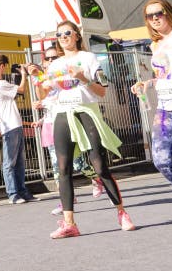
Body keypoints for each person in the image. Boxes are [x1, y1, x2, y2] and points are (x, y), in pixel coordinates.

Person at [45, 20, 135, 239]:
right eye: (59, 34)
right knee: (63, 170)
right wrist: (44, 87)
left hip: (86, 112)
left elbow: (102, 91)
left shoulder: (88, 58)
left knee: (99, 164)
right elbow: (48, 94)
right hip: (62, 115)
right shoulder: (54, 65)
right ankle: (69, 223)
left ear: (77, 35)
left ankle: (122, 212)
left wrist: (82, 78)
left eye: (67, 33)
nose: (63, 37)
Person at [29, 47, 100, 215]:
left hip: (66, 121)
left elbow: (57, 100)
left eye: (54, 57)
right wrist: (40, 115)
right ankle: (66, 200)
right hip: (50, 124)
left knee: (78, 164)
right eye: (48, 58)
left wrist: (44, 103)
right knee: (57, 167)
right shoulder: (44, 79)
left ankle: (96, 178)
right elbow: (43, 98)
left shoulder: (64, 75)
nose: (51, 61)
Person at [131, 0, 172, 189]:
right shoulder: (155, 45)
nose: (155, 18)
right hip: (166, 108)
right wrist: (147, 83)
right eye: (150, 16)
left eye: (159, 13)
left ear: (169, 13)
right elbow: (163, 75)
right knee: (161, 160)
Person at [0, 53, 36, 204]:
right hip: (10, 126)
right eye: (5, 67)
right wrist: (24, 74)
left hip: (15, 124)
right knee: (10, 162)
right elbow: (21, 90)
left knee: (20, 161)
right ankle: (13, 194)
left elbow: (14, 93)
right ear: (2, 66)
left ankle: (22, 192)